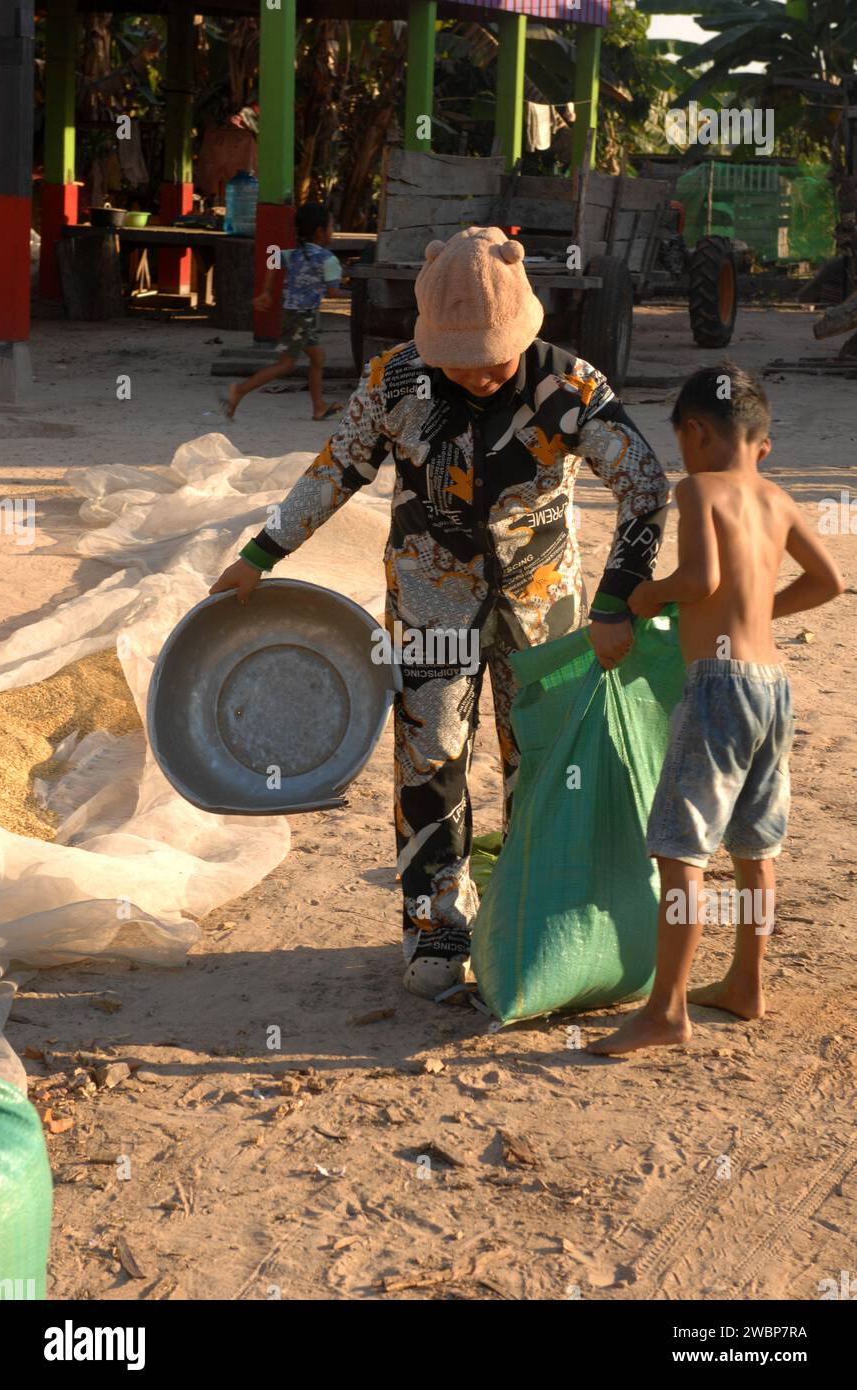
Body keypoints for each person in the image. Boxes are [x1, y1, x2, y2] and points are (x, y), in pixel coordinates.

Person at [210, 225, 670, 1000]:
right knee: (430, 766)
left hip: (543, 606)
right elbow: (338, 466)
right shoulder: (396, 381)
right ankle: (436, 930)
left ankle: (530, 919)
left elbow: (645, 487)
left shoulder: (571, 386)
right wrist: (261, 554)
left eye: (492, 357)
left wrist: (616, 599)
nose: (480, 375)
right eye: (461, 357)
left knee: (543, 764)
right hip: (429, 603)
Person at [590, 363, 844, 1055]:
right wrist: (759, 606)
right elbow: (828, 582)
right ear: (760, 445)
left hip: (717, 687)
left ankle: (665, 1010)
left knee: (681, 848)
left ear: (695, 433)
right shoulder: (778, 498)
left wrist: (646, 597)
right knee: (754, 848)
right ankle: (744, 984)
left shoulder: (697, 490)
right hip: (772, 687)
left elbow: (698, 579)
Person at [225, 202, 344, 422]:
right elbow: (334, 293)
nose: (333, 230)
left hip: (292, 314)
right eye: (331, 226)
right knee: (286, 364)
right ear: (320, 231)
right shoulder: (328, 260)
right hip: (303, 317)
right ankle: (239, 390)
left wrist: (267, 291)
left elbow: (273, 260)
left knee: (317, 358)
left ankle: (318, 407)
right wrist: (355, 294)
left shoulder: (296, 254)